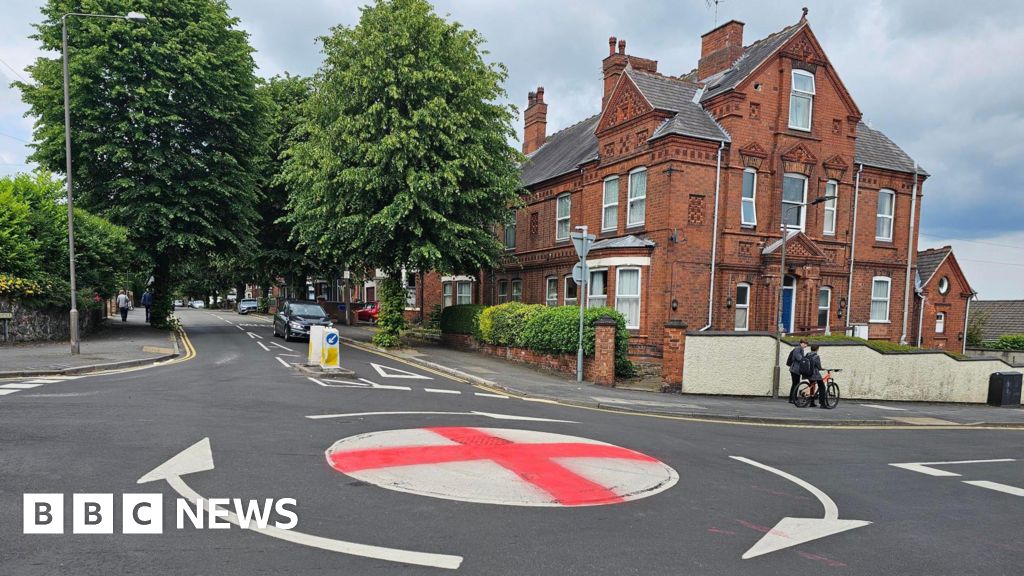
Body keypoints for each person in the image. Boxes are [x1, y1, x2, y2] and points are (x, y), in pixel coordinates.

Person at [804, 344, 828, 409]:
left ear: (811, 349)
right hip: (814, 374)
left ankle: (812, 403)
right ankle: (822, 404)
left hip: (807, 373)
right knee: (822, 387)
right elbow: (819, 366)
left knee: (812, 386)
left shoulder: (807, 354)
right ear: (817, 349)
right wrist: (822, 368)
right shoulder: (816, 356)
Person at [786, 339, 809, 404]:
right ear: (801, 343)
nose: (806, 345)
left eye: (806, 344)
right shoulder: (798, 349)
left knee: (796, 384)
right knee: (795, 384)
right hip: (795, 369)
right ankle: (792, 399)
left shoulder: (799, 349)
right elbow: (799, 358)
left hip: (796, 369)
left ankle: (793, 398)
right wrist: (805, 359)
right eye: (804, 344)